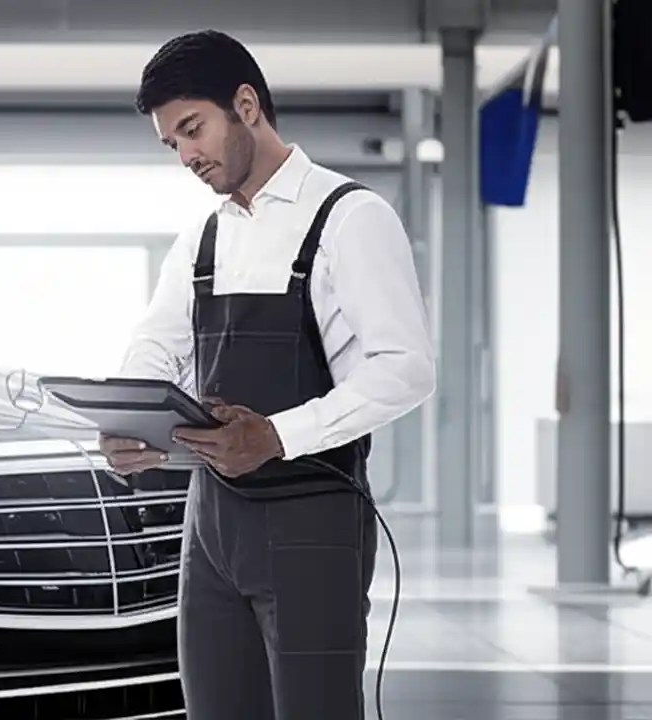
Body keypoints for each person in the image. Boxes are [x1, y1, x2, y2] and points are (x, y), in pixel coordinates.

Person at [99, 30, 436, 719]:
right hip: (211, 526)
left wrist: (276, 436)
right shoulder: (203, 238)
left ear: (246, 106)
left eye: (193, 129)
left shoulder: (349, 218)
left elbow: (407, 368)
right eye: (172, 143)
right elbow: (156, 345)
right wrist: (132, 420)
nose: (186, 156)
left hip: (313, 519)